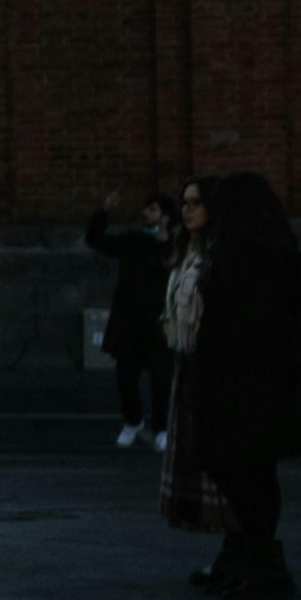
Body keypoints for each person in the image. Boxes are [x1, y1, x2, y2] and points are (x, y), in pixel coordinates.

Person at [165, 171, 301, 600]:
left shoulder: (250, 253)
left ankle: (263, 562)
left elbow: (241, 321)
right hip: (258, 383)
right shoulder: (264, 246)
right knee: (252, 470)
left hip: (242, 383)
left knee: (237, 468)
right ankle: (247, 556)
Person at [88, 189, 182, 450]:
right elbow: (95, 240)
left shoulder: (176, 246)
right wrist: (104, 212)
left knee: (161, 380)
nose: (145, 213)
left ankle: (161, 429)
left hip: (162, 324)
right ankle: (134, 420)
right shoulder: (134, 241)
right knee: (125, 375)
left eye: (152, 210)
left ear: (165, 217)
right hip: (131, 322)